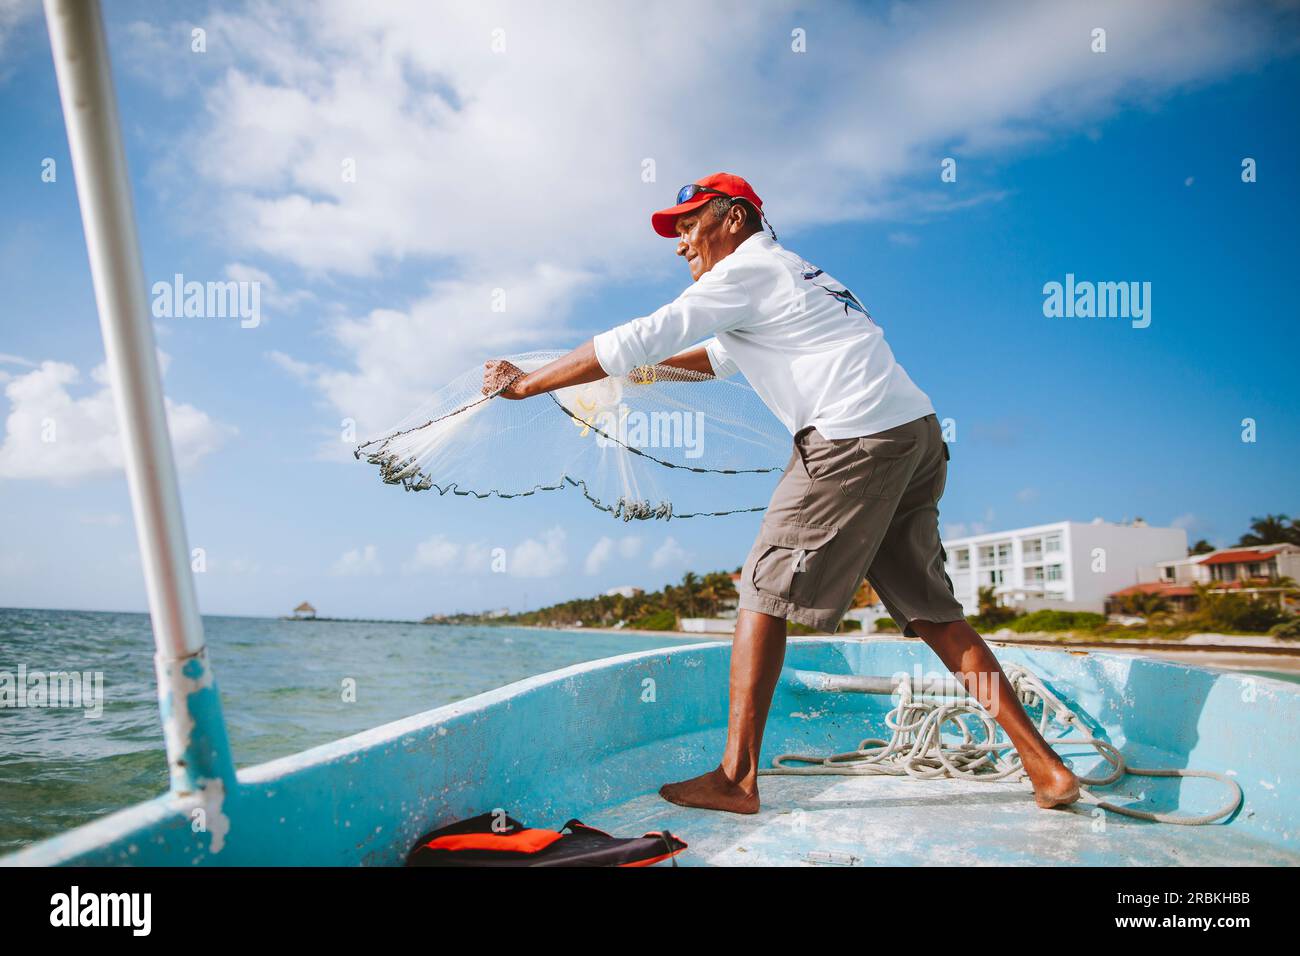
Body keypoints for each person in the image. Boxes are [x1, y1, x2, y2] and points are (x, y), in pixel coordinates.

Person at [482, 172, 1080, 814]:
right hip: (914, 435)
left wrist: (528, 386)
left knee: (761, 591)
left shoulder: (743, 272)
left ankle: (736, 780)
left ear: (734, 218)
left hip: (852, 439)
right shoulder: (793, 272)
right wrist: (639, 374)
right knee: (932, 611)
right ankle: (1046, 767)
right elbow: (717, 359)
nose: (681, 243)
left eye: (689, 224)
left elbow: (638, 336)